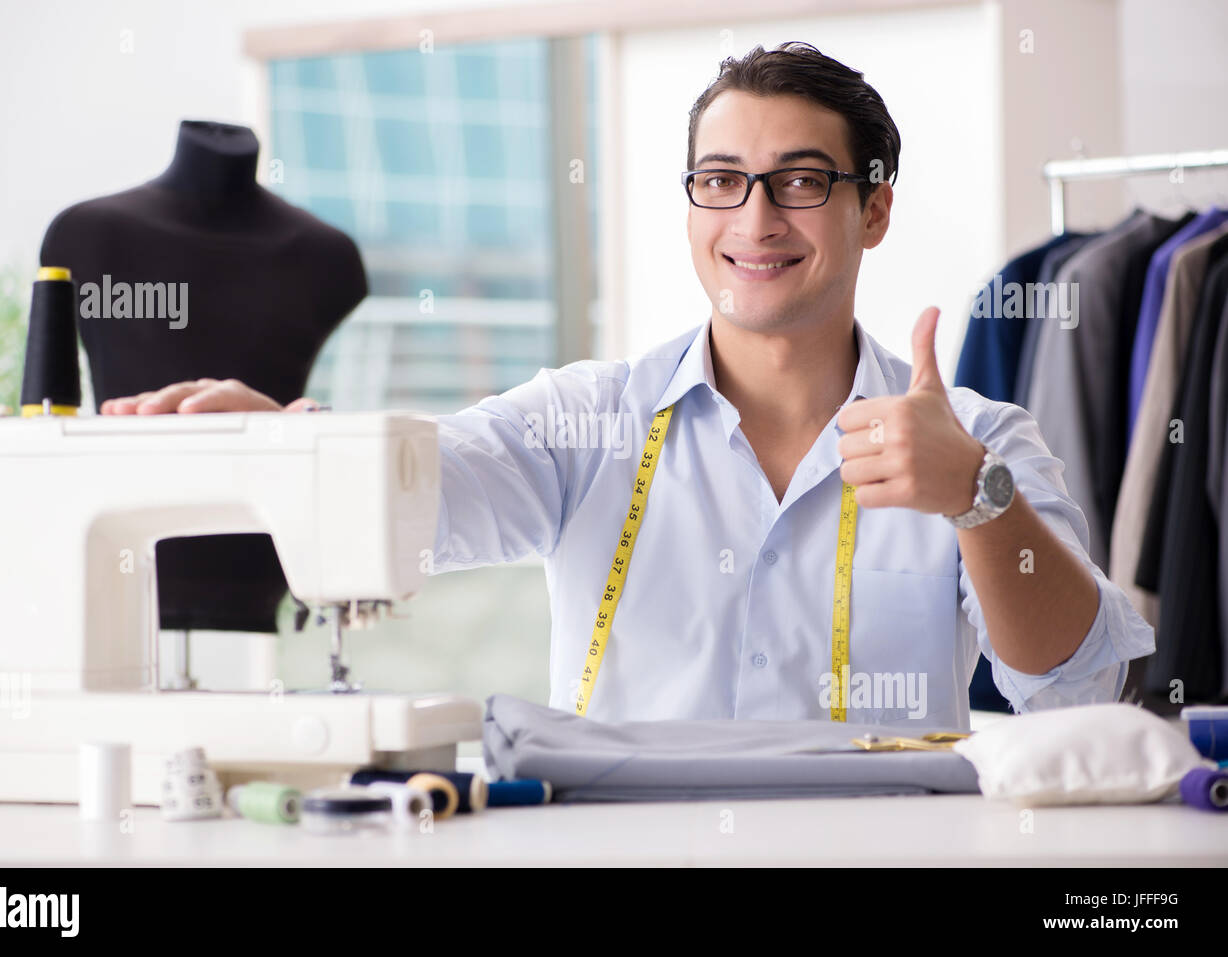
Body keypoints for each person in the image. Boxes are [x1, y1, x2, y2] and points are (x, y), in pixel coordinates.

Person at [100, 41, 1155, 729]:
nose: (754, 220)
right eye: (719, 181)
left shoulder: (973, 441)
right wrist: (298, 445)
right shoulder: (584, 422)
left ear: (871, 210)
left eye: (798, 180)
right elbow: (425, 493)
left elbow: (1074, 685)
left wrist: (976, 501)